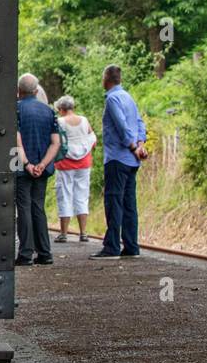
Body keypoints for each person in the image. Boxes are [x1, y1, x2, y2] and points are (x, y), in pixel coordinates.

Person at [94, 65, 148, 259]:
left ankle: (112, 247)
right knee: (129, 204)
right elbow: (140, 124)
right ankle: (132, 246)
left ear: (106, 78)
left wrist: (133, 147)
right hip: (132, 162)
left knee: (113, 202)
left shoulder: (112, 99)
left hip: (117, 157)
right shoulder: (128, 97)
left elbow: (121, 127)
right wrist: (141, 145)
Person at [14, 72, 59, 266]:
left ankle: (25, 254)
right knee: (38, 207)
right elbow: (55, 142)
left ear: (19, 91)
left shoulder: (15, 109)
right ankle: (45, 253)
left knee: (23, 208)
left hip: (21, 167)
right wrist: (42, 164)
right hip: (43, 167)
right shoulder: (48, 111)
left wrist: (27, 164)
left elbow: (17, 140)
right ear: (36, 90)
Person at [53, 95, 96, 242]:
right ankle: (83, 233)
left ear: (61, 109)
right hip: (84, 163)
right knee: (82, 195)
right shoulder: (84, 120)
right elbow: (93, 139)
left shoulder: (60, 121)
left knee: (64, 195)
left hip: (65, 164)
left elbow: (55, 141)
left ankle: (64, 234)